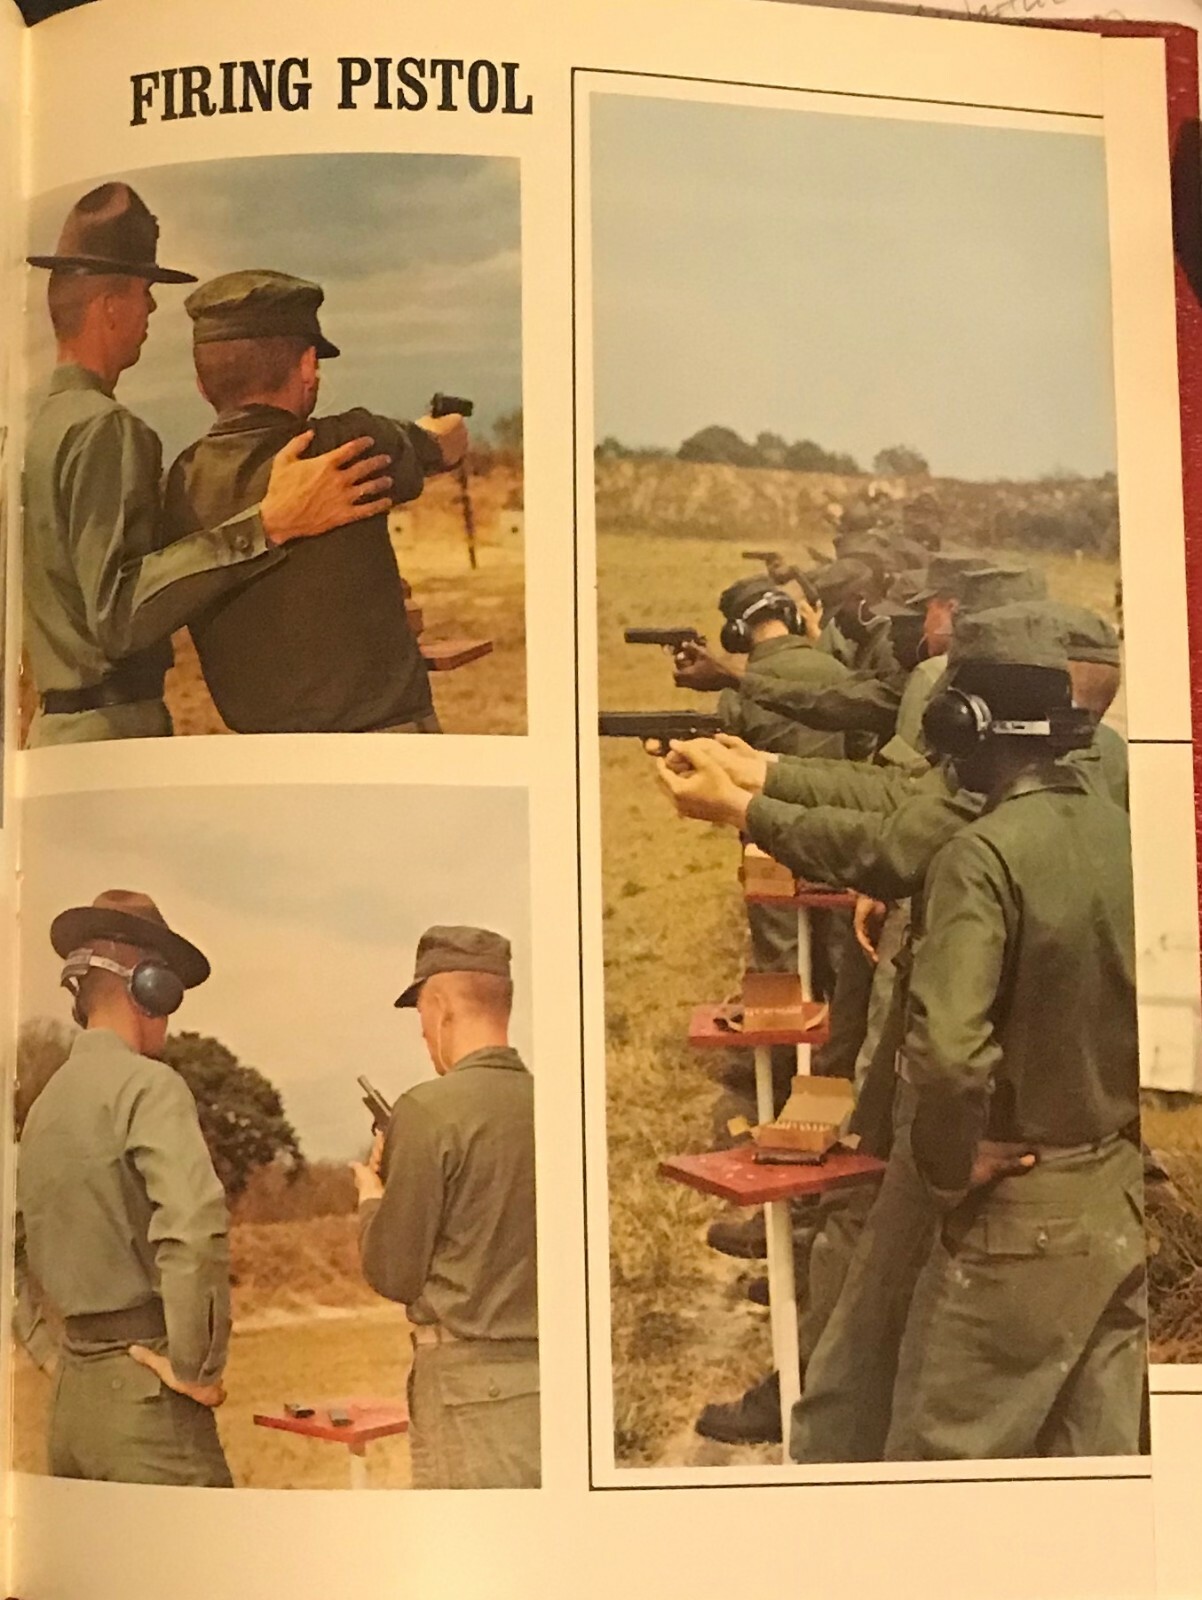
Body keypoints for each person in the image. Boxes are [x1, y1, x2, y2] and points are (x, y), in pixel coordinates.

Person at [885, 605, 1142, 1459]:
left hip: (1021, 1217)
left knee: (943, 1484)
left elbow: (951, 1055)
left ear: (968, 723)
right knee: (1093, 1487)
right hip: (1118, 1200)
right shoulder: (1124, 835)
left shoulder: (980, 855)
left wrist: (948, 1163)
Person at [23, 183, 395, 746]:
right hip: (114, 733)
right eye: (146, 292)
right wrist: (269, 524)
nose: (151, 309)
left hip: (56, 732)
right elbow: (119, 617)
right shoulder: (107, 429)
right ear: (110, 307)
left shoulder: (32, 432)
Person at [162, 269, 468, 734]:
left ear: (203, 384)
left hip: (265, 764)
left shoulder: (181, 482)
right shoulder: (352, 443)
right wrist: (447, 424)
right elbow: (441, 445)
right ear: (307, 365)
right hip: (388, 743)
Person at [15, 890, 232, 1486]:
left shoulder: (41, 1110)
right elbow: (193, 1230)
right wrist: (196, 1367)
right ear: (150, 985)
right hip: (147, 1405)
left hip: (71, 1405)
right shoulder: (151, 1088)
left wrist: (49, 1352)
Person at [352, 927, 539, 1488]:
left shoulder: (427, 1112)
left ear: (437, 1008)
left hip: (466, 1391)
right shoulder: (554, 1100)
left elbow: (394, 1273)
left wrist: (371, 1199)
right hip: (550, 1384)